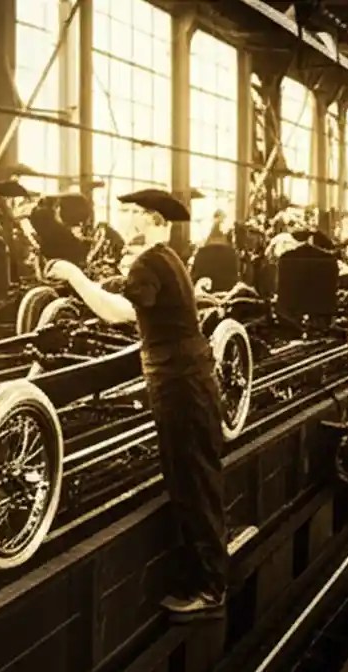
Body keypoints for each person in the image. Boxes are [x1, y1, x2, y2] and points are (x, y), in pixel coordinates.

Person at [44, 188, 234, 619]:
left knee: (192, 481)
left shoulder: (148, 261)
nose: (125, 218)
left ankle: (210, 589)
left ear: (149, 218)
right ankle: (207, 576)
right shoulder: (170, 258)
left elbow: (118, 313)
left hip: (177, 385)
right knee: (199, 476)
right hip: (191, 377)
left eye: (130, 212)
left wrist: (75, 276)